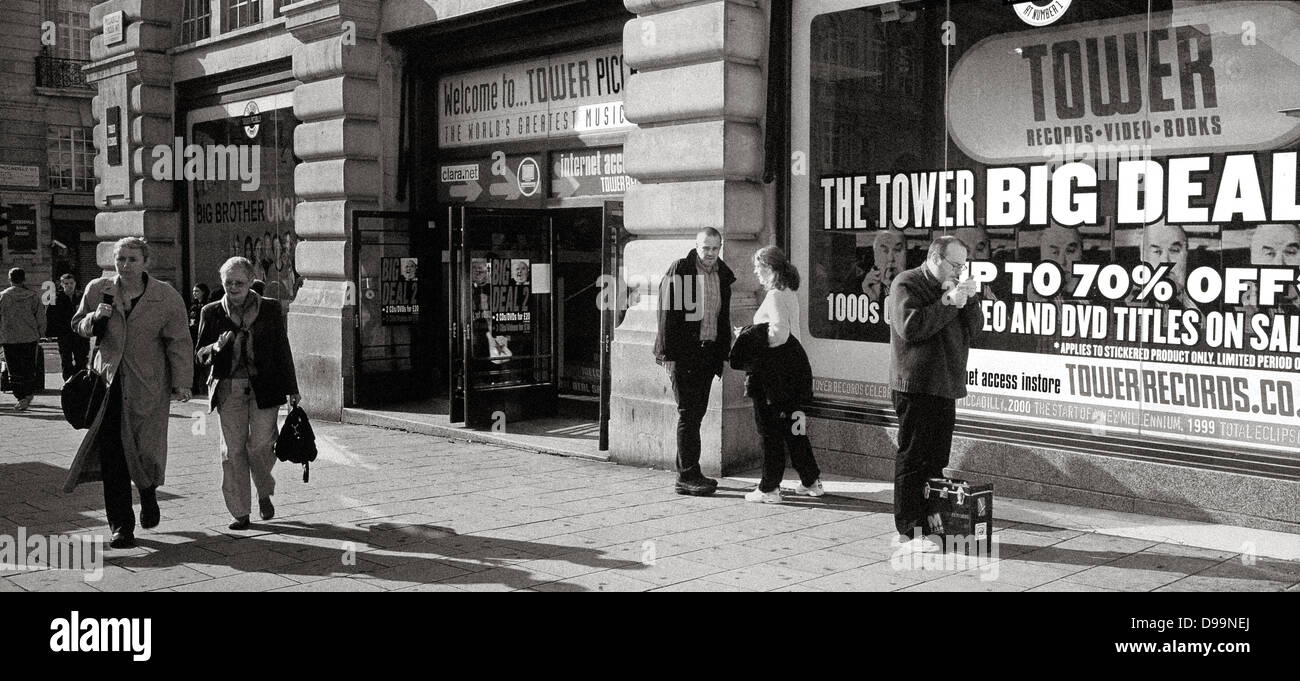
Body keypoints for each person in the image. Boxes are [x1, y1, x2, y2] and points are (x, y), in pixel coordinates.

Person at [65, 237, 193, 549]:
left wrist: (182, 381)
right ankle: (122, 525)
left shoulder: (165, 296)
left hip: (148, 384)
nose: (125, 265)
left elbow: (178, 340)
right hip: (107, 384)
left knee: (146, 450)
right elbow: (77, 323)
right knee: (113, 457)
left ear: (145, 262)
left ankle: (148, 494)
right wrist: (94, 319)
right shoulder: (99, 289)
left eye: (133, 259)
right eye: (121, 258)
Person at [888, 235, 982, 552]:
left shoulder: (955, 286)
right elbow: (911, 328)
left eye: (963, 265)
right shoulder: (907, 283)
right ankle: (907, 531)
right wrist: (946, 303)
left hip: (946, 383)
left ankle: (931, 526)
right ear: (934, 258)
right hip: (915, 385)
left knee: (937, 459)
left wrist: (969, 299)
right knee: (913, 458)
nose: (959, 270)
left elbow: (977, 328)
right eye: (954, 264)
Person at [196, 257, 300, 531]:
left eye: (238, 282)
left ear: (251, 281)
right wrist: (214, 349)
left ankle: (263, 488)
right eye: (228, 282)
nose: (232, 287)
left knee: (261, 446)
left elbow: (282, 348)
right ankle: (240, 511)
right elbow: (200, 354)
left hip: (265, 386)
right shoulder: (211, 312)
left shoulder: (269, 308)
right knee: (232, 451)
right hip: (230, 388)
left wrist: (293, 389)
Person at [735, 246, 822, 503]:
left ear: (770, 268)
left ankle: (769, 488)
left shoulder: (774, 296)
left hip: (772, 376)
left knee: (769, 431)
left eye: (758, 267)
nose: (755, 272)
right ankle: (810, 480)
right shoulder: (789, 293)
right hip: (792, 373)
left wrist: (748, 336)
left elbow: (778, 334)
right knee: (794, 429)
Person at [655, 227, 735, 496]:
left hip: (708, 355)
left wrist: (724, 354)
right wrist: (668, 355)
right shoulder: (681, 269)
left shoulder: (723, 274)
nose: (710, 253)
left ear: (720, 247)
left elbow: (723, 318)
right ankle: (687, 476)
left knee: (696, 415)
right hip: (684, 355)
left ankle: (690, 472)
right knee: (689, 415)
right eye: (706, 248)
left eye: (715, 248)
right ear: (696, 246)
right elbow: (667, 313)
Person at [0, 267, 46, 411]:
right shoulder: (32, 296)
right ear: (24, 279)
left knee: (13, 370)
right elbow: (41, 318)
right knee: (28, 368)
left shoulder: (2, 296)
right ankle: (27, 394)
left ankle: (20, 397)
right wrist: (40, 333)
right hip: (29, 338)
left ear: (9, 279)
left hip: (9, 338)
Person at [48, 274, 90, 381]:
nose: (69, 286)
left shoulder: (82, 297)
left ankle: (80, 381)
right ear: (62, 285)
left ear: (75, 283)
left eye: (71, 283)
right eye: (66, 283)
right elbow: (50, 316)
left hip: (81, 334)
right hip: (64, 334)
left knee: (82, 359)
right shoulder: (56, 299)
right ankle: (68, 382)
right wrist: (50, 333)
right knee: (66, 359)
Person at [189, 284, 211, 394]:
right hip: (193, 335)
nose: (194, 293)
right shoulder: (193, 306)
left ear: (203, 292)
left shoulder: (207, 306)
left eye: (197, 291)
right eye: (193, 291)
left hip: (203, 336)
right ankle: (195, 386)